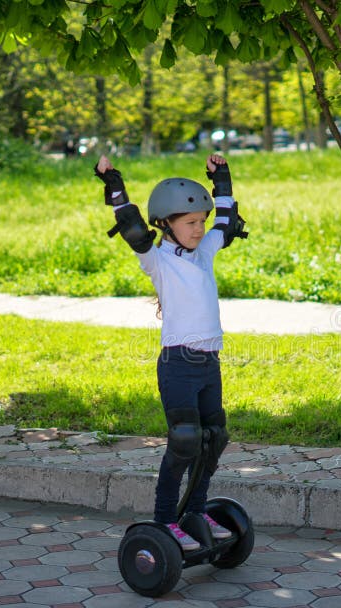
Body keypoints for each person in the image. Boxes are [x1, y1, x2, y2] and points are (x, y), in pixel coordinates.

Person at [95, 153, 248, 551]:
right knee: (185, 441)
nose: (199, 230)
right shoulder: (158, 260)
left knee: (213, 438)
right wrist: (114, 182)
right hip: (178, 364)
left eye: (200, 222)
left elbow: (226, 222)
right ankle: (166, 521)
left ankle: (195, 512)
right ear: (166, 224)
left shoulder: (205, 252)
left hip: (208, 363)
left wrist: (223, 181)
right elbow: (130, 225)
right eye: (190, 223)